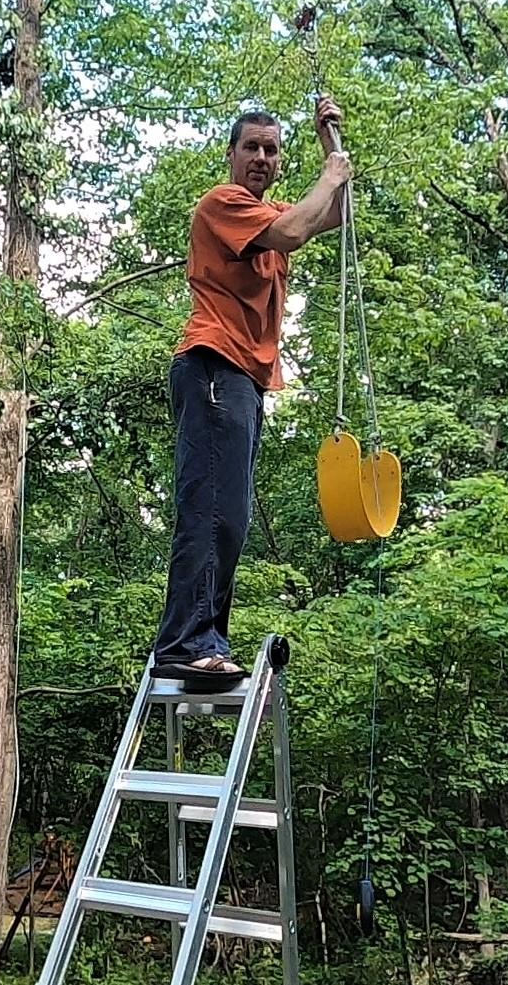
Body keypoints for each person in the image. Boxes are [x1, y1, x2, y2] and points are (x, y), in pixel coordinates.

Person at [149, 97, 353, 692]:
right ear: (232, 155)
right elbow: (294, 230)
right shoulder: (224, 204)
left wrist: (329, 145)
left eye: (270, 149)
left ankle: (203, 640)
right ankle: (188, 645)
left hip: (243, 380)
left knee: (230, 516)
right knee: (213, 509)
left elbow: (334, 215)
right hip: (214, 364)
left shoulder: (270, 211)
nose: (261, 157)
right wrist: (331, 174)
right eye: (252, 147)